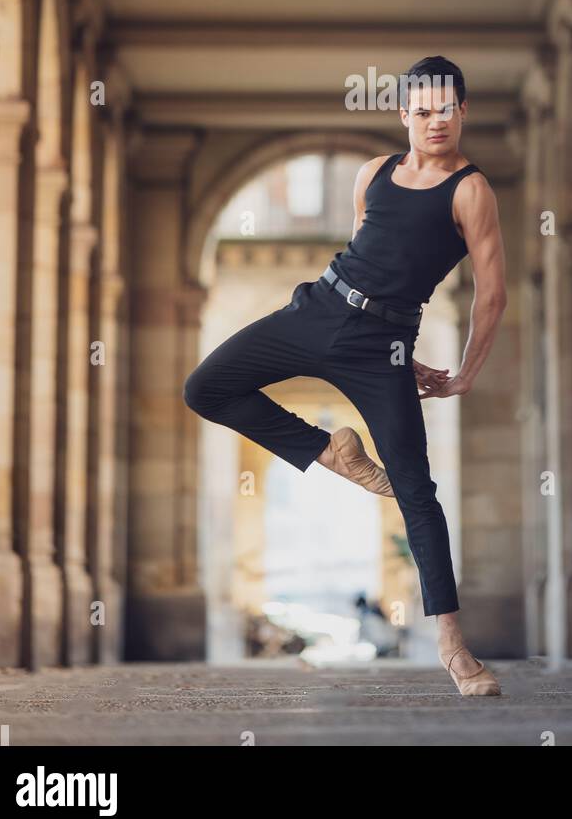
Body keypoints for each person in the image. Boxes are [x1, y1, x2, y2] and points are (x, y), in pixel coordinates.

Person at [183, 55, 508, 697]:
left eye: (446, 109)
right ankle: (327, 450)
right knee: (205, 387)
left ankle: (454, 647)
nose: (434, 121)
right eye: (421, 110)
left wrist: (462, 373)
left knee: (416, 490)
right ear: (403, 114)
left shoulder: (472, 191)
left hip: (382, 346)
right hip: (319, 306)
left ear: (462, 111)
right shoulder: (373, 174)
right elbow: (370, 251)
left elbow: (492, 294)